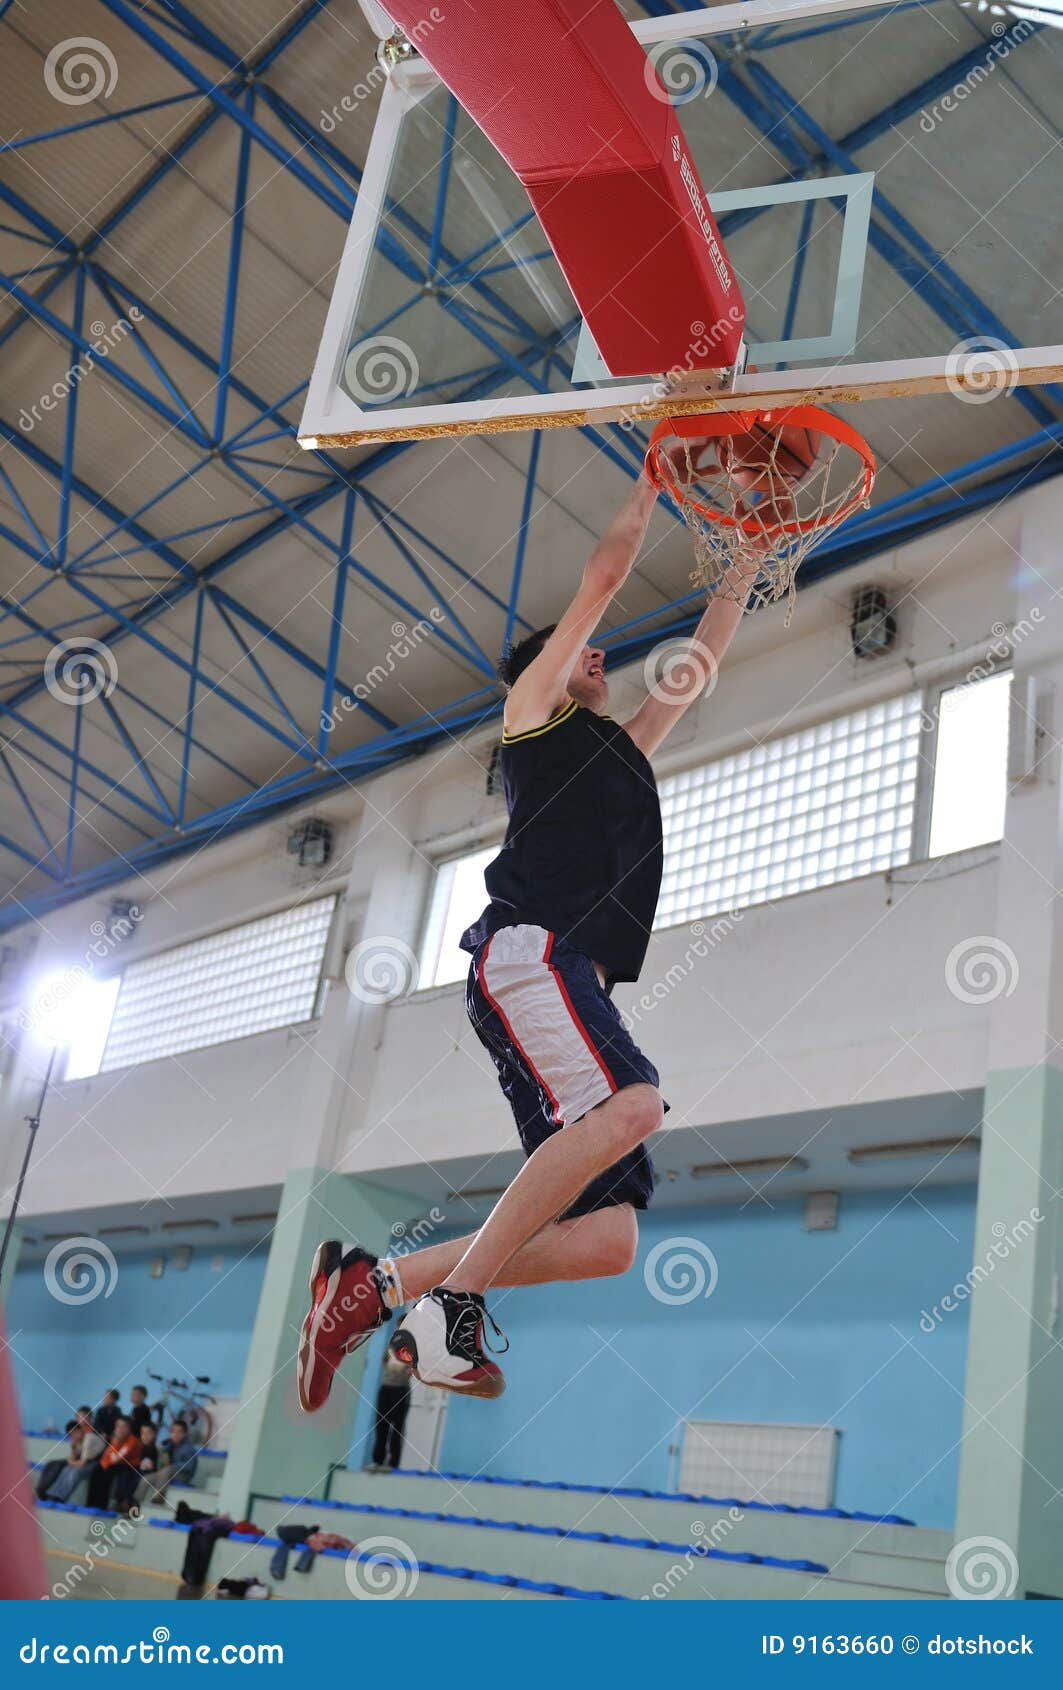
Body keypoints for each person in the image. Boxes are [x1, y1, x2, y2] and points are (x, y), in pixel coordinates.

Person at [297, 458, 763, 1411]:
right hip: (530, 953)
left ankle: (373, 1292)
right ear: (540, 677)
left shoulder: (616, 752)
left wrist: (746, 560)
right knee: (633, 1107)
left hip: (569, 977)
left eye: (591, 651)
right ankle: (450, 1307)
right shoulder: (528, 725)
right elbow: (602, 579)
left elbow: (697, 664)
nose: (596, 654)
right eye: (575, 652)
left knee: (606, 1244)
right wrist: (646, 484)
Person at [87, 1416, 142, 1511]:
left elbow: (118, 1458)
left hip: (130, 1466)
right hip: (117, 1464)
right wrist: (103, 1465)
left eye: (123, 1427)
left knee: (107, 1472)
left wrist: (115, 1444)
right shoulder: (115, 1439)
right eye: (118, 1426)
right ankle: (90, 1504)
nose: (120, 1429)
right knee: (97, 1469)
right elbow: (106, 1457)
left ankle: (101, 1506)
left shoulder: (132, 1441)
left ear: (129, 1429)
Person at [368, 1352, 411, 1471]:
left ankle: (393, 1463)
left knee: (397, 1427)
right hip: (386, 1387)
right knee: (381, 1425)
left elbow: (415, 1366)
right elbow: (384, 1360)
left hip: (401, 1389)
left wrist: (407, 1371)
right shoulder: (391, 1346)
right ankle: (377, 1461)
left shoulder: (414, 1347)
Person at [159, 1417, 199, 1487]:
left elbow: (189, 1466)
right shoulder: (171, 1444)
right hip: (170, 1471)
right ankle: (136, 1498)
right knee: (147, 1478)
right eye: (173, 1432)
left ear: (185, 1434)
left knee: (166, 1471)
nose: (175, 1434)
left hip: (183, 1475)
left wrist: (173, 1466)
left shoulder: (188, 1448)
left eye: (179, 1432)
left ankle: (159, 1496)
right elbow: (164, 1458)